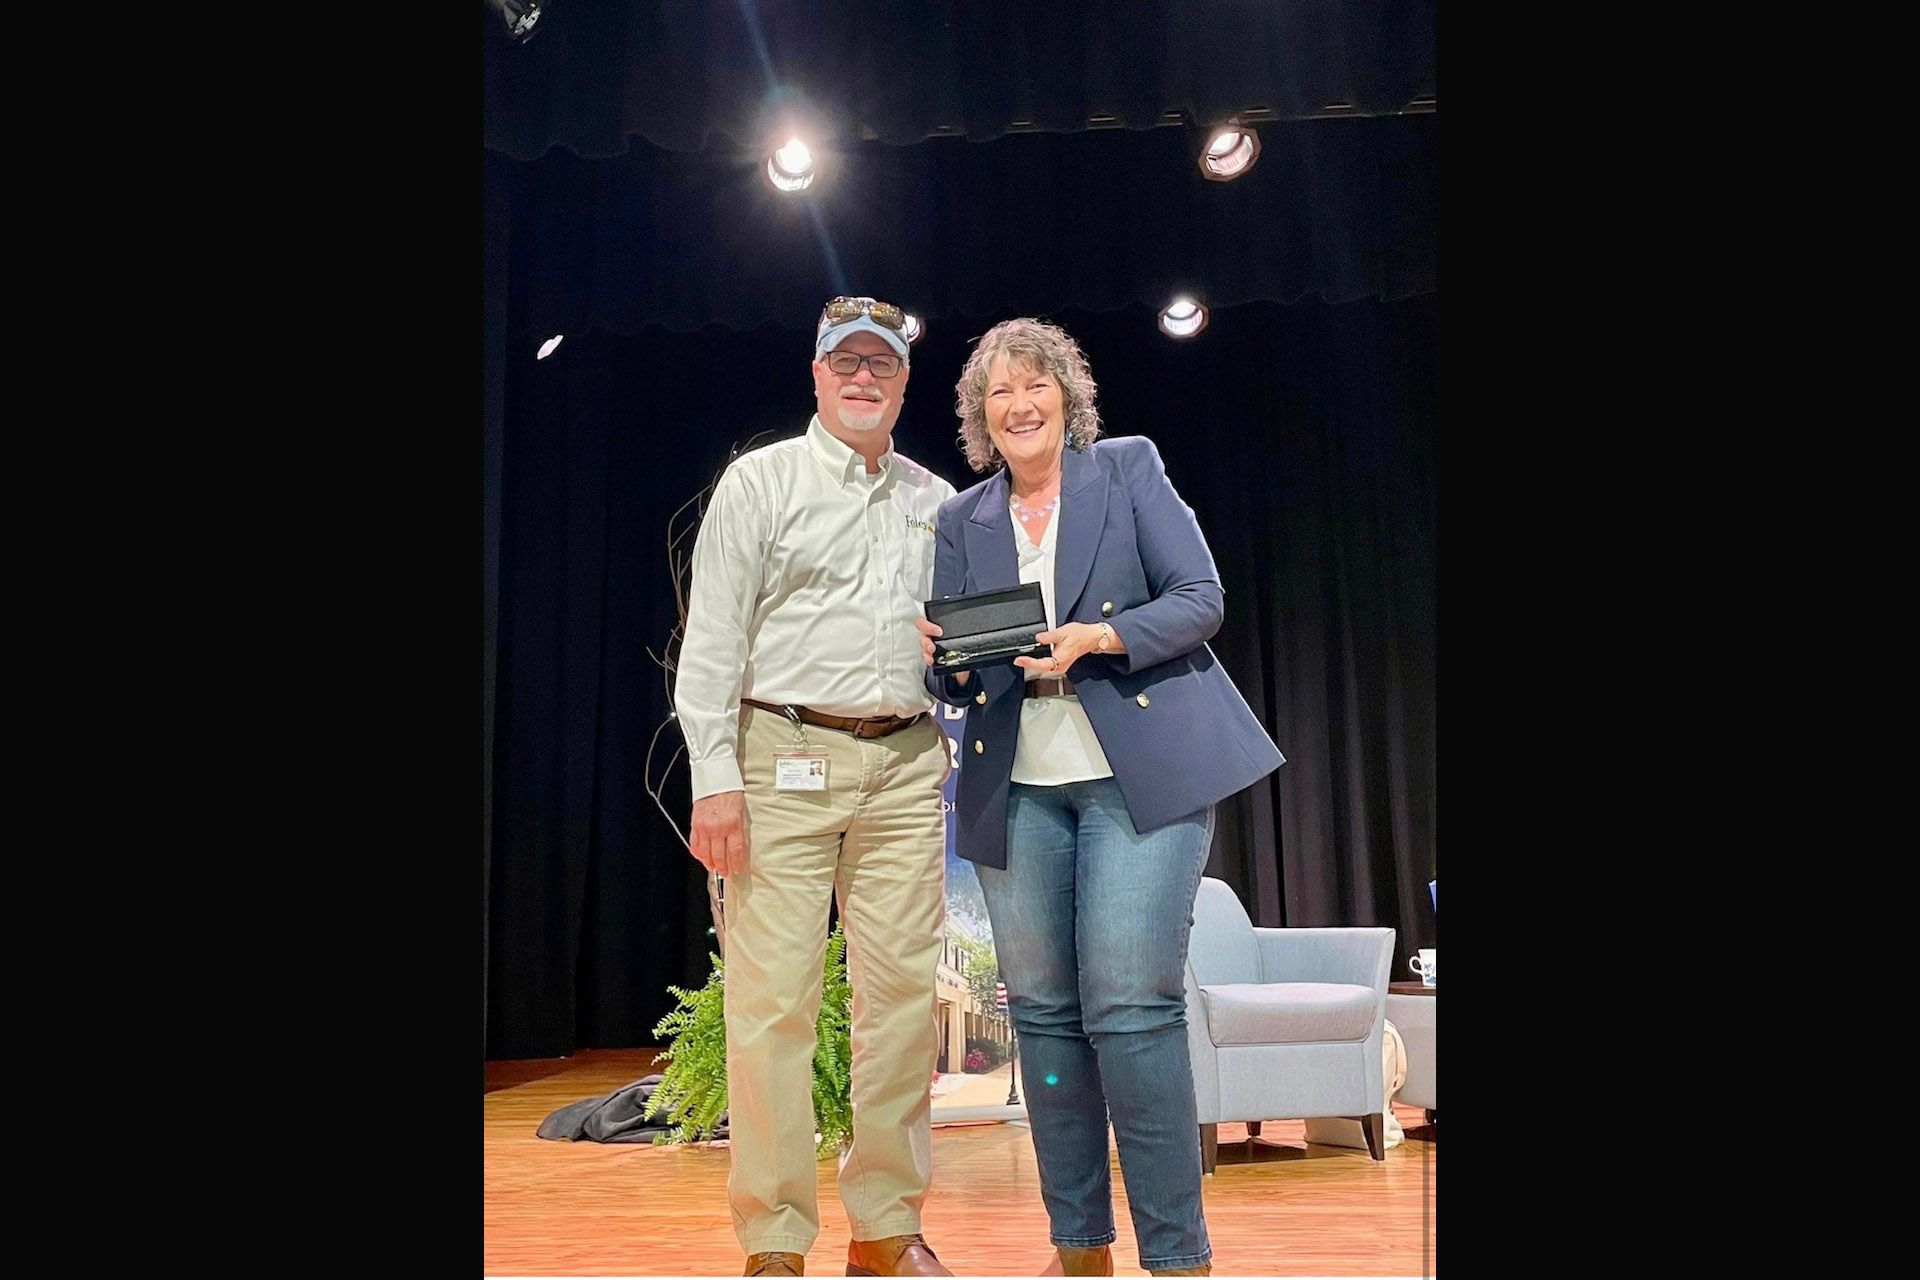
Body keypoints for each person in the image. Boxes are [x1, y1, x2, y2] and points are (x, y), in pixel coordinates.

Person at [915, 318, 1282, 1277]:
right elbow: (960, 684)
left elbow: (1199, 596)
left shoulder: (1126, 470)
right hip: (1017, 788)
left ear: (1067, 396)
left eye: (1035, 384)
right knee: (1040, 1014)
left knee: (1129, 1006)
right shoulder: (963, 520)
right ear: (979, 416)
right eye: (999, 392)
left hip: (1136, 775)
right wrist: (942, 664)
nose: (1019, 404)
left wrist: (1098, 641)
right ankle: (1079, 1248)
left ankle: (1177, 1257)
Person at [677, 296, 958, 1278]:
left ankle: (886, 1227)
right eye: (846, 361)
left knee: (899, 1005)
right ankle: (775, 1240)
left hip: (906, 764)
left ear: (904, 381)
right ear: (816, 373)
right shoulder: (760, 484)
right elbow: (709, 642)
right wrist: (715, 777)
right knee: (772, 1009)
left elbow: (962, 644)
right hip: (780, 761)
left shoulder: (938, 498)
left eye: (882, 363)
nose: (864, 376)